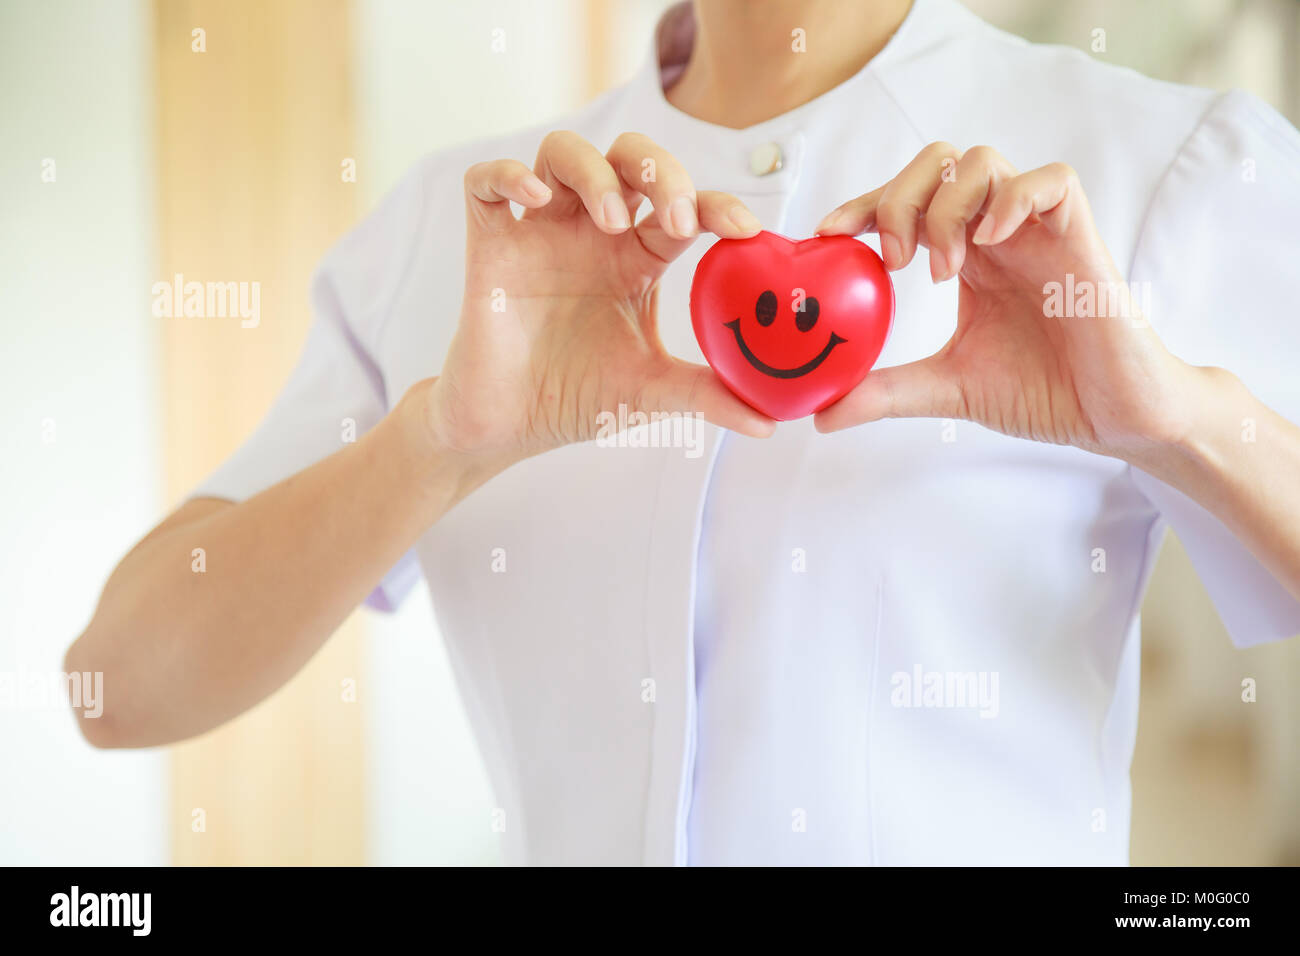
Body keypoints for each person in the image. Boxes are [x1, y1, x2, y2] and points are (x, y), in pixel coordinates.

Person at [66, 0, 1300, 865]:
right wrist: (437, 440)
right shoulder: (460, 229)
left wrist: (1182, 423)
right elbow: (114, 684)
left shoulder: (1154, 170)